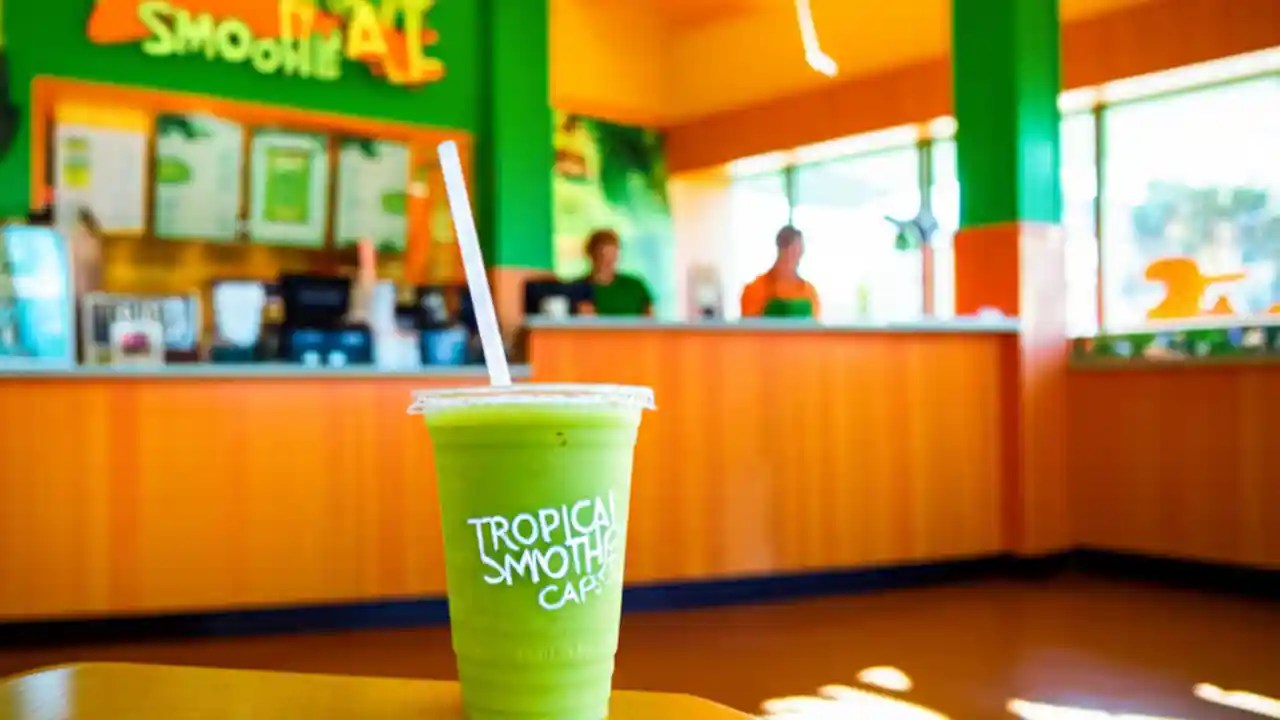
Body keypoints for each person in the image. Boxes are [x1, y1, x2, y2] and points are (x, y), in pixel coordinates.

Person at [740, 225, 821, 319]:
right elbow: (749, 329)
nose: (791, 255)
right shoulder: (755, 290)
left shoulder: (809, 293)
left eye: (797, 250)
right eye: (789, 249)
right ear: (779, 249)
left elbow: (814, 329)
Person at [578, 229, 653, 316]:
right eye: (601, 256)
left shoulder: (635, 287)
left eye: (612, 256)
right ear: (590, 254)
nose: (606, 263)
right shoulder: (578, 290)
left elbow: (651, 322)